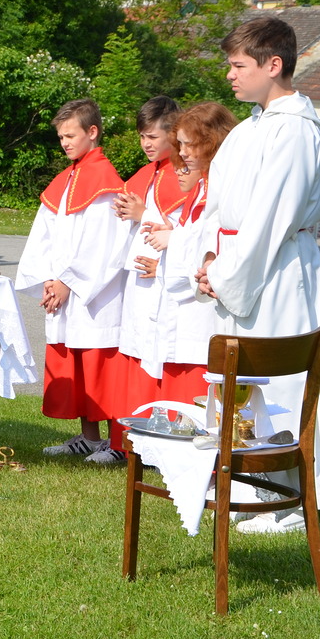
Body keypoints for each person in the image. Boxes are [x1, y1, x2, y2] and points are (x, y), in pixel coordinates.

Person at [195, 17, 320, 535]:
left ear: (272, 65)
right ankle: (252, 483)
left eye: (238, 66)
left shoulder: (294, 129)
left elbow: (269, 219)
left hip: (275, 271)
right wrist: (208, 262)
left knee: (280, 379)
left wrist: (228, 272)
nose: (229, 76)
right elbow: (221, 208)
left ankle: (296, 497)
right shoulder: (256, 124)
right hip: (240, 265)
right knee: (243, 381)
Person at [14, 99, 132, 463]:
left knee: (101, 363)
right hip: (64, 290)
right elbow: (44, 235)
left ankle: (117, 443)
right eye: (61, 136)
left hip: (95, 294)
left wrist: (68, 282)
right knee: (75, 360)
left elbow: (105, 243)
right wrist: (49, 279)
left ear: (92, 132)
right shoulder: (66, 180)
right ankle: (89, 437)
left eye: (71, 135)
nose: (64, 142)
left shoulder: (105, 182)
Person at [105, 96, 188, 462]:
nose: (146, 144)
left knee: (159, 361)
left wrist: (142, 213)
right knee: (137, 357)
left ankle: (160, 445)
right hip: (140, 283)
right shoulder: (148, 172)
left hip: (166, 284)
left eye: (153, 136)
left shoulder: (185, 173)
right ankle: (134, 443)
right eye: (142, 136)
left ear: (174, 132)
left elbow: (188, 229)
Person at [142, 101, 238, 403]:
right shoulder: (200, 188)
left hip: (200, 310)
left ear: (210, 142)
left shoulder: (220, 189)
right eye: (179, 144)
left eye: (188, 144)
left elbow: (211, 244)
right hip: (182, 309)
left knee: (195, 397)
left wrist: (175, 239)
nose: (181, 152)